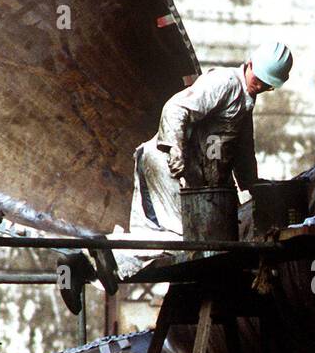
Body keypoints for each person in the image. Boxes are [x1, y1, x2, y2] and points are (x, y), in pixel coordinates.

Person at [117, 42, 294, 276]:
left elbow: (242, 151)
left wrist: (252, 185)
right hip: (165, 165)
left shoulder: (245, 101)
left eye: (267, 85)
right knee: (182, 239)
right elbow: (175, 108)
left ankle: (103, 259)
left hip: (193, 174)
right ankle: (93, 257)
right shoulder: (224, 82)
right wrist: (174, 150)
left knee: (199, 241)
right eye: (258, 80)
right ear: (250, 64)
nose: (260, 86)